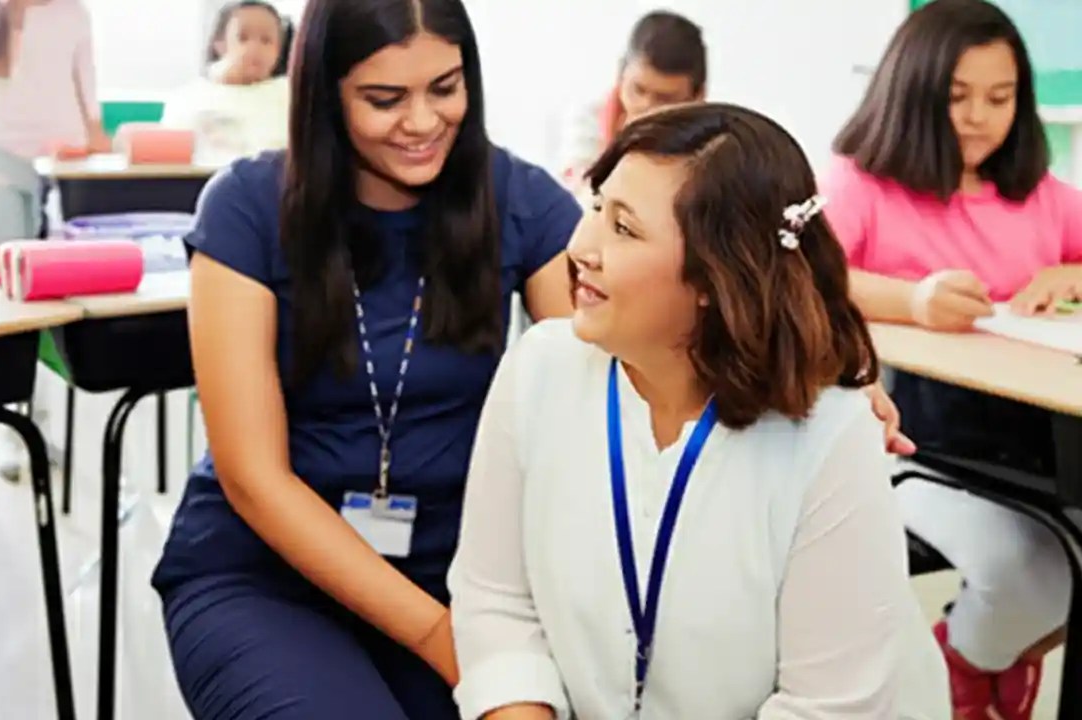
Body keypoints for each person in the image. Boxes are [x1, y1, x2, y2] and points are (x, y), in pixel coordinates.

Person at [151, 1, 911, 717]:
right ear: (325, 94)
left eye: (445, 88)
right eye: (385, 99)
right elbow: (254, 480)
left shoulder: (513, 199)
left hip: (454, 569)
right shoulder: (247, 207)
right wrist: (453, 642)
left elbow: (631, 343)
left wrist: (812, 380)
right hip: (275, 574)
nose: (423, 121)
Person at [449, 103, 949, 720]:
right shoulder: (540, 369)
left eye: (624, 228)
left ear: (716, 277)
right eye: (596, 206)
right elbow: (496, 602)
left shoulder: (829, 435)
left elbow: (827, 707)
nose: (580, 247)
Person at [823, 1, 1081, 717]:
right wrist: (913, 300)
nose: (978, 118)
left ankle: (971, 659)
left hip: (1041, 446)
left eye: (1000, 98)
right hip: (919, 445)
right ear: (912, 92)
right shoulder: (862, 183)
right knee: (1028, 574)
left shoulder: (1039, 196)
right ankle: (971, 662)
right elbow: (805, 276)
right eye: (957, 97)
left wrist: (1069, 274)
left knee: (1052, 572)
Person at [0, 0, 109, 479]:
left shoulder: (74, 13)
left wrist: (96, 142)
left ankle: (39, 424)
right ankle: (10, 427)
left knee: (51, 307)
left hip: (60, 165)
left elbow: (87, 89)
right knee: (5, 303)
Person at [559, 10, 706, 190]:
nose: (647, 107)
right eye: (638, 90)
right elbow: (580, 196)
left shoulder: (718, 149)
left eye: (665, 99)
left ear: (698, 97)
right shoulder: (587, 121)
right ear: (621, 75)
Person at [162, 0, 290, 163]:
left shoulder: (291, 95)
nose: (255, 48)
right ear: (219, 43)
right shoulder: (188, 98)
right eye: (243, 38)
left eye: (266, 40)